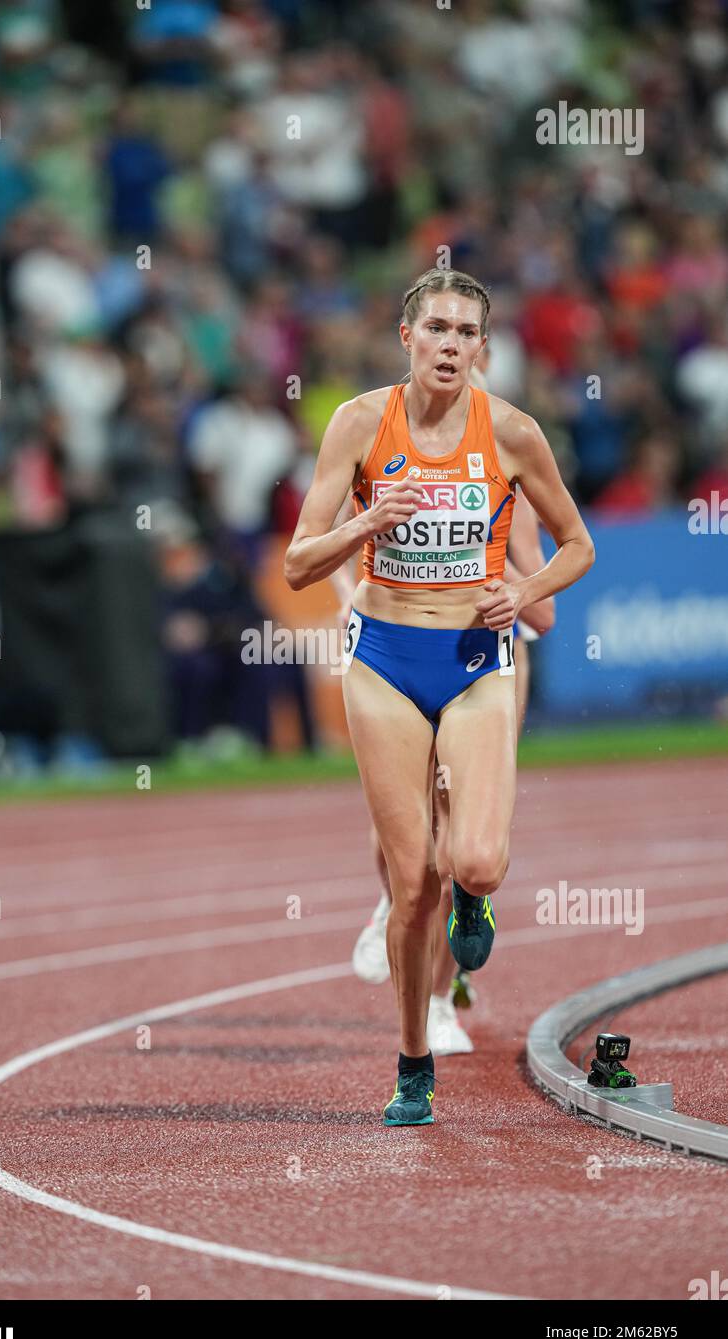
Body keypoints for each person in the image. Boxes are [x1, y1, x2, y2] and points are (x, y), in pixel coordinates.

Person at [284, 268, 594, 1126]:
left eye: (466, 334)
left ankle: (474, 896)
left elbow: (577, 548)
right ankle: (414, 1062)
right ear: (407, 337)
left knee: (477, 861)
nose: (451, 346)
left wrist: (522, 595)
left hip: (475, 656)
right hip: (382, 658)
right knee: (409, 878)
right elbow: (299, 563)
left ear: (481, 349)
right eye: (438, 330)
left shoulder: (514, 433)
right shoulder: (357, 423)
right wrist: (365, 523)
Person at [336, 480, 555, 1056]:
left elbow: (545, 610)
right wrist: (352, 591)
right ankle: (396, 900)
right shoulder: (387, 462)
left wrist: (490, 577)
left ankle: (438, 998)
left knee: (456, 842)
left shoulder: (512, 484)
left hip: (483, 661)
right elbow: (326, 545)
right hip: (396, 649)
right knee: (405, 837)